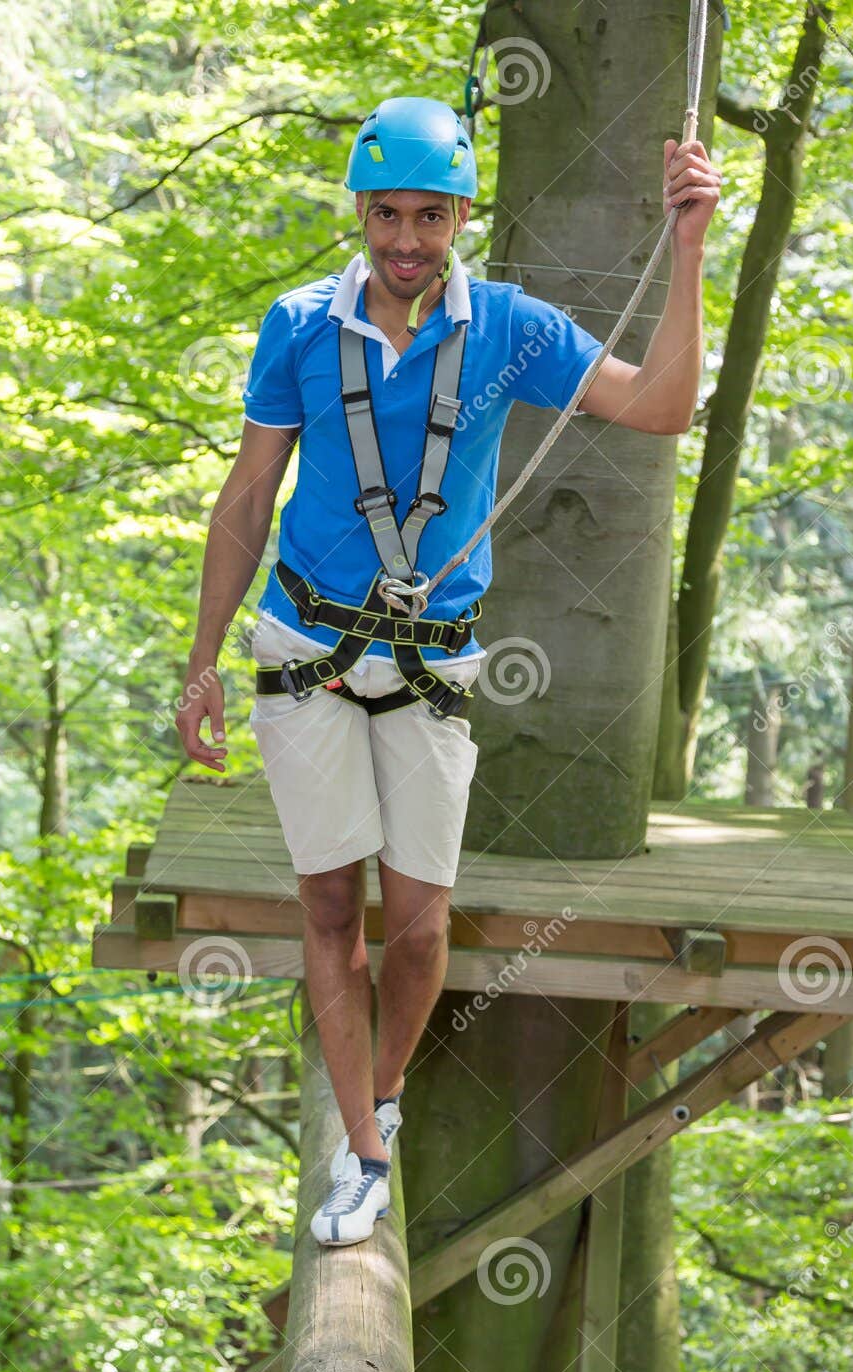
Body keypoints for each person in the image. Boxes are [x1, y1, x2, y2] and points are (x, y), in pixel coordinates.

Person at [178, 96, 720, 1249]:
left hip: (429, 661)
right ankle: (364, 1151)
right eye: (386, 216)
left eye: (429, 216)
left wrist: (687, 246)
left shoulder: (509, 332)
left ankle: (376, 1092)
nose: (406, 241)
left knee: (418, 924)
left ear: (463, 215)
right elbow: (244, 500)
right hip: (305, 647)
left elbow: (661, 406)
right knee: (330, 902)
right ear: (359, 215)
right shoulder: (298, 327)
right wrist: (201, 662)